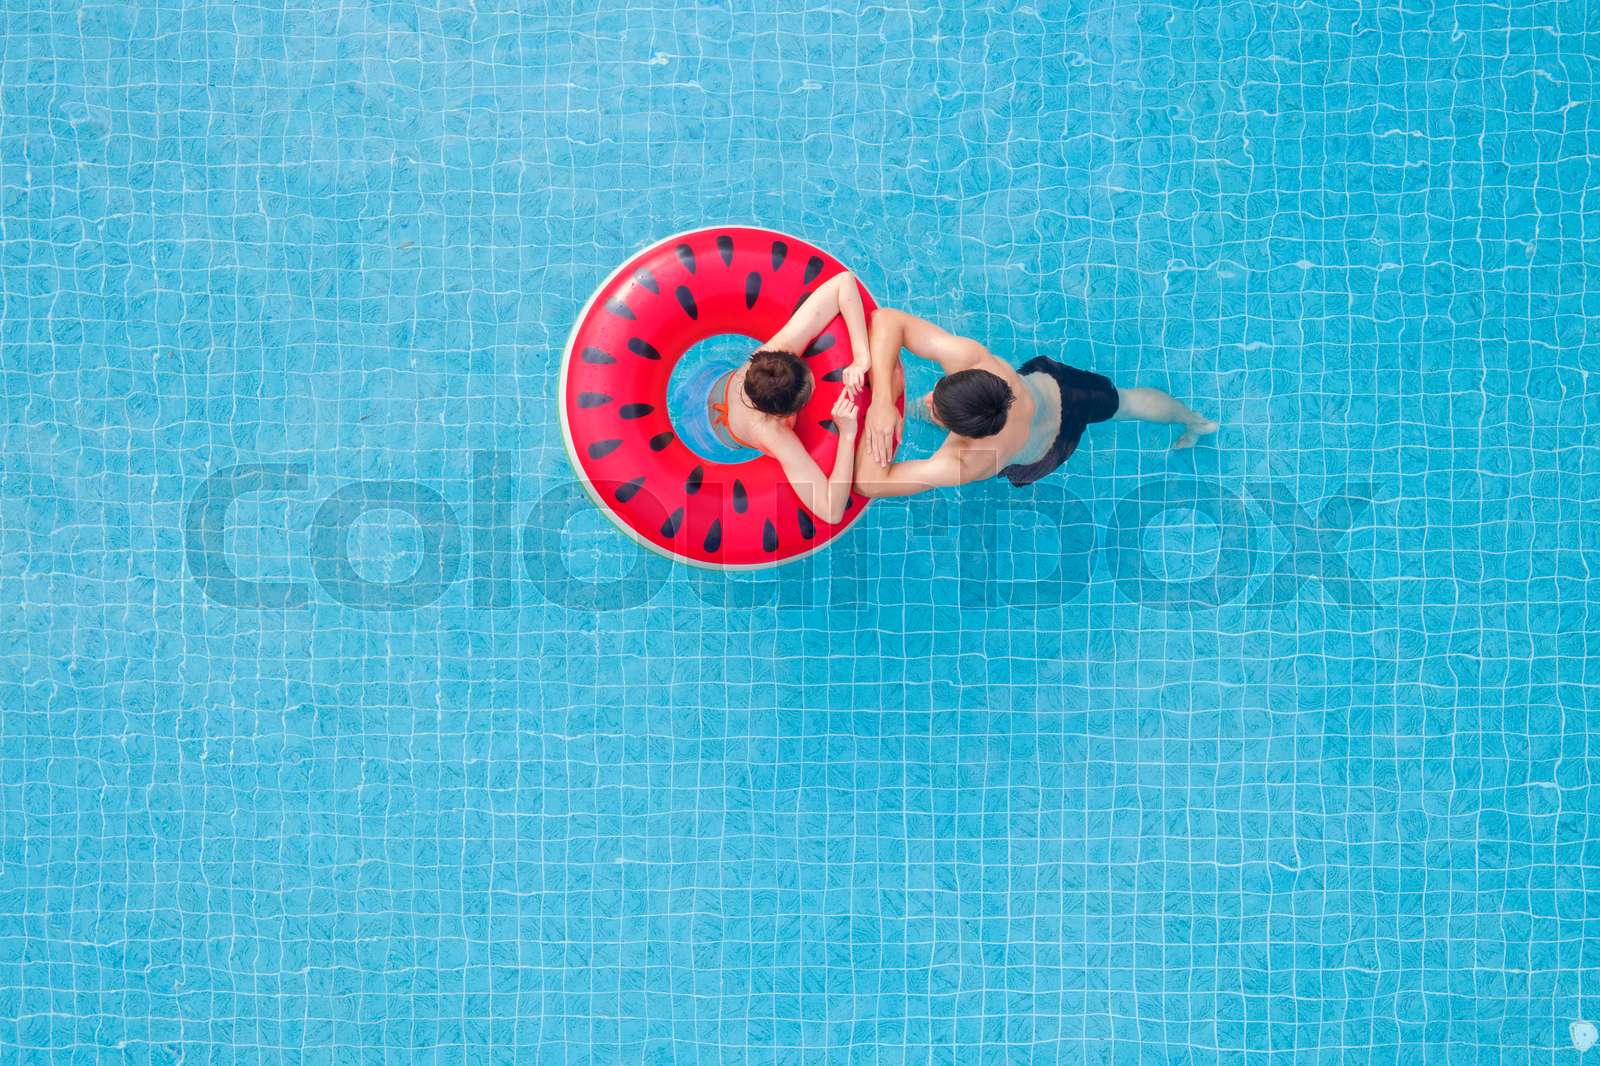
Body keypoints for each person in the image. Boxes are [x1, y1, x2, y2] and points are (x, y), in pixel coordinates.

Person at [853, 309, 1217, 497]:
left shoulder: (967, 462)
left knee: (921, 411)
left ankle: (1194, 423)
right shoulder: (980, 364)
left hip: (1048, 449)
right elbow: (886, 320)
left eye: (936, 406)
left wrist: (871, 419)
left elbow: (869, 483)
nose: (931, 396)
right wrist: (882, 401)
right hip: (1062, 391)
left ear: (962, 435)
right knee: (1128, 402)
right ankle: (1194, 421)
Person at [709, 271, 872, 523]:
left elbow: (843, 282)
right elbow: (831, 511)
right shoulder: (773, 433)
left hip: (722, 386)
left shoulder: (774, 355)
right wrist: (848, 435)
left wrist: (862, 358)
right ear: (784, 415)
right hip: (725, 430)